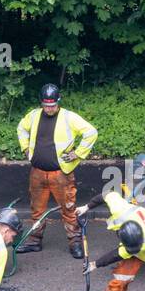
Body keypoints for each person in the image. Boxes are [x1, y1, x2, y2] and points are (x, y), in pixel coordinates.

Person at [15, 83, 97, 259]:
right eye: (46, 105)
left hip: (60, 174)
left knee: (68, 208)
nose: (49, 108)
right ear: (41, 103)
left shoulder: (69, 117)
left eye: (52, 105)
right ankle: (35, 241)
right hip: (37, 172)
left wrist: (77, 154)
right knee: (37, 210)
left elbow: (91, 132)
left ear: (58, 102)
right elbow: (21, 128)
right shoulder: (34, 115)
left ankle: (75, 243)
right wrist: (25, 149)